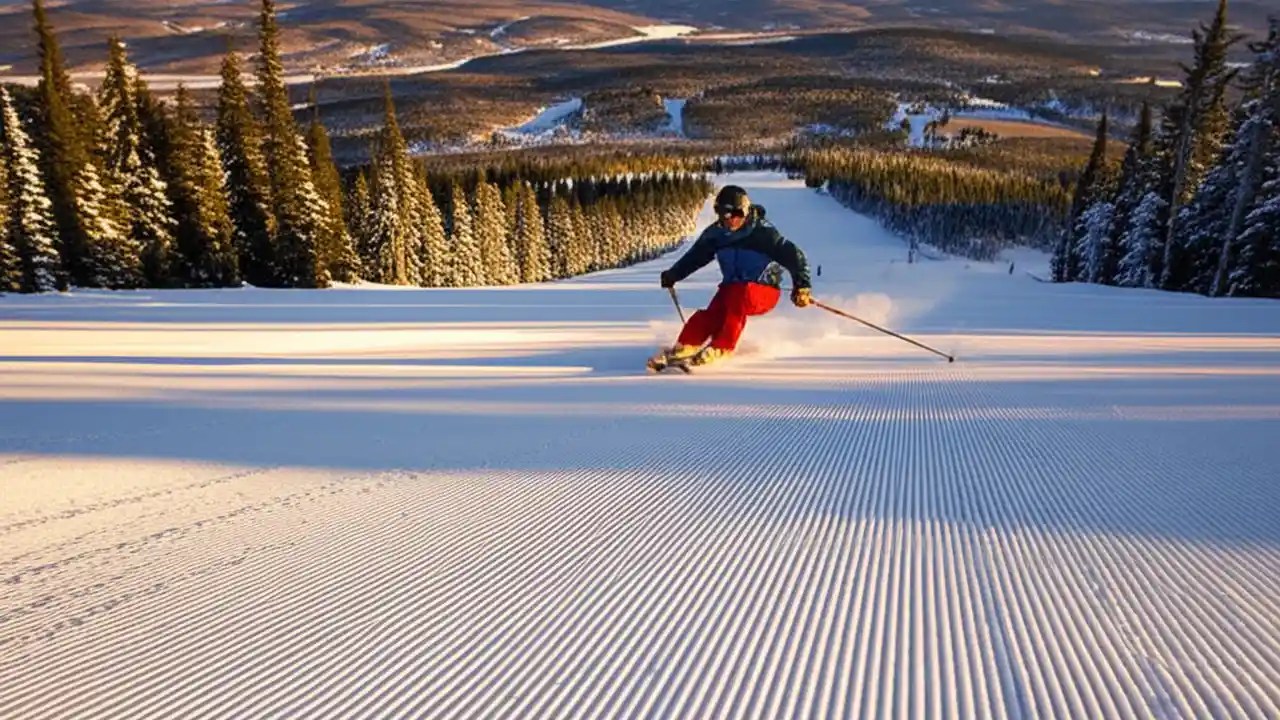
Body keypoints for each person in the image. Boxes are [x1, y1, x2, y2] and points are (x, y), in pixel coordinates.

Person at [651, 185, 812, 368]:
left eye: (736, 215)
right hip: (732, 287)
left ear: (745, 211)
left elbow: (794, 255)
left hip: (763, 290)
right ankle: (686, 345)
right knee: (713, 312)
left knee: (740, 297)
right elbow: (695, 257)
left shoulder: (763, 232)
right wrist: (674, 274)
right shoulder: (716, 235)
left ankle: (723, 347)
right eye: (725, 216)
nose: (731, 221)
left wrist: (802, 286)